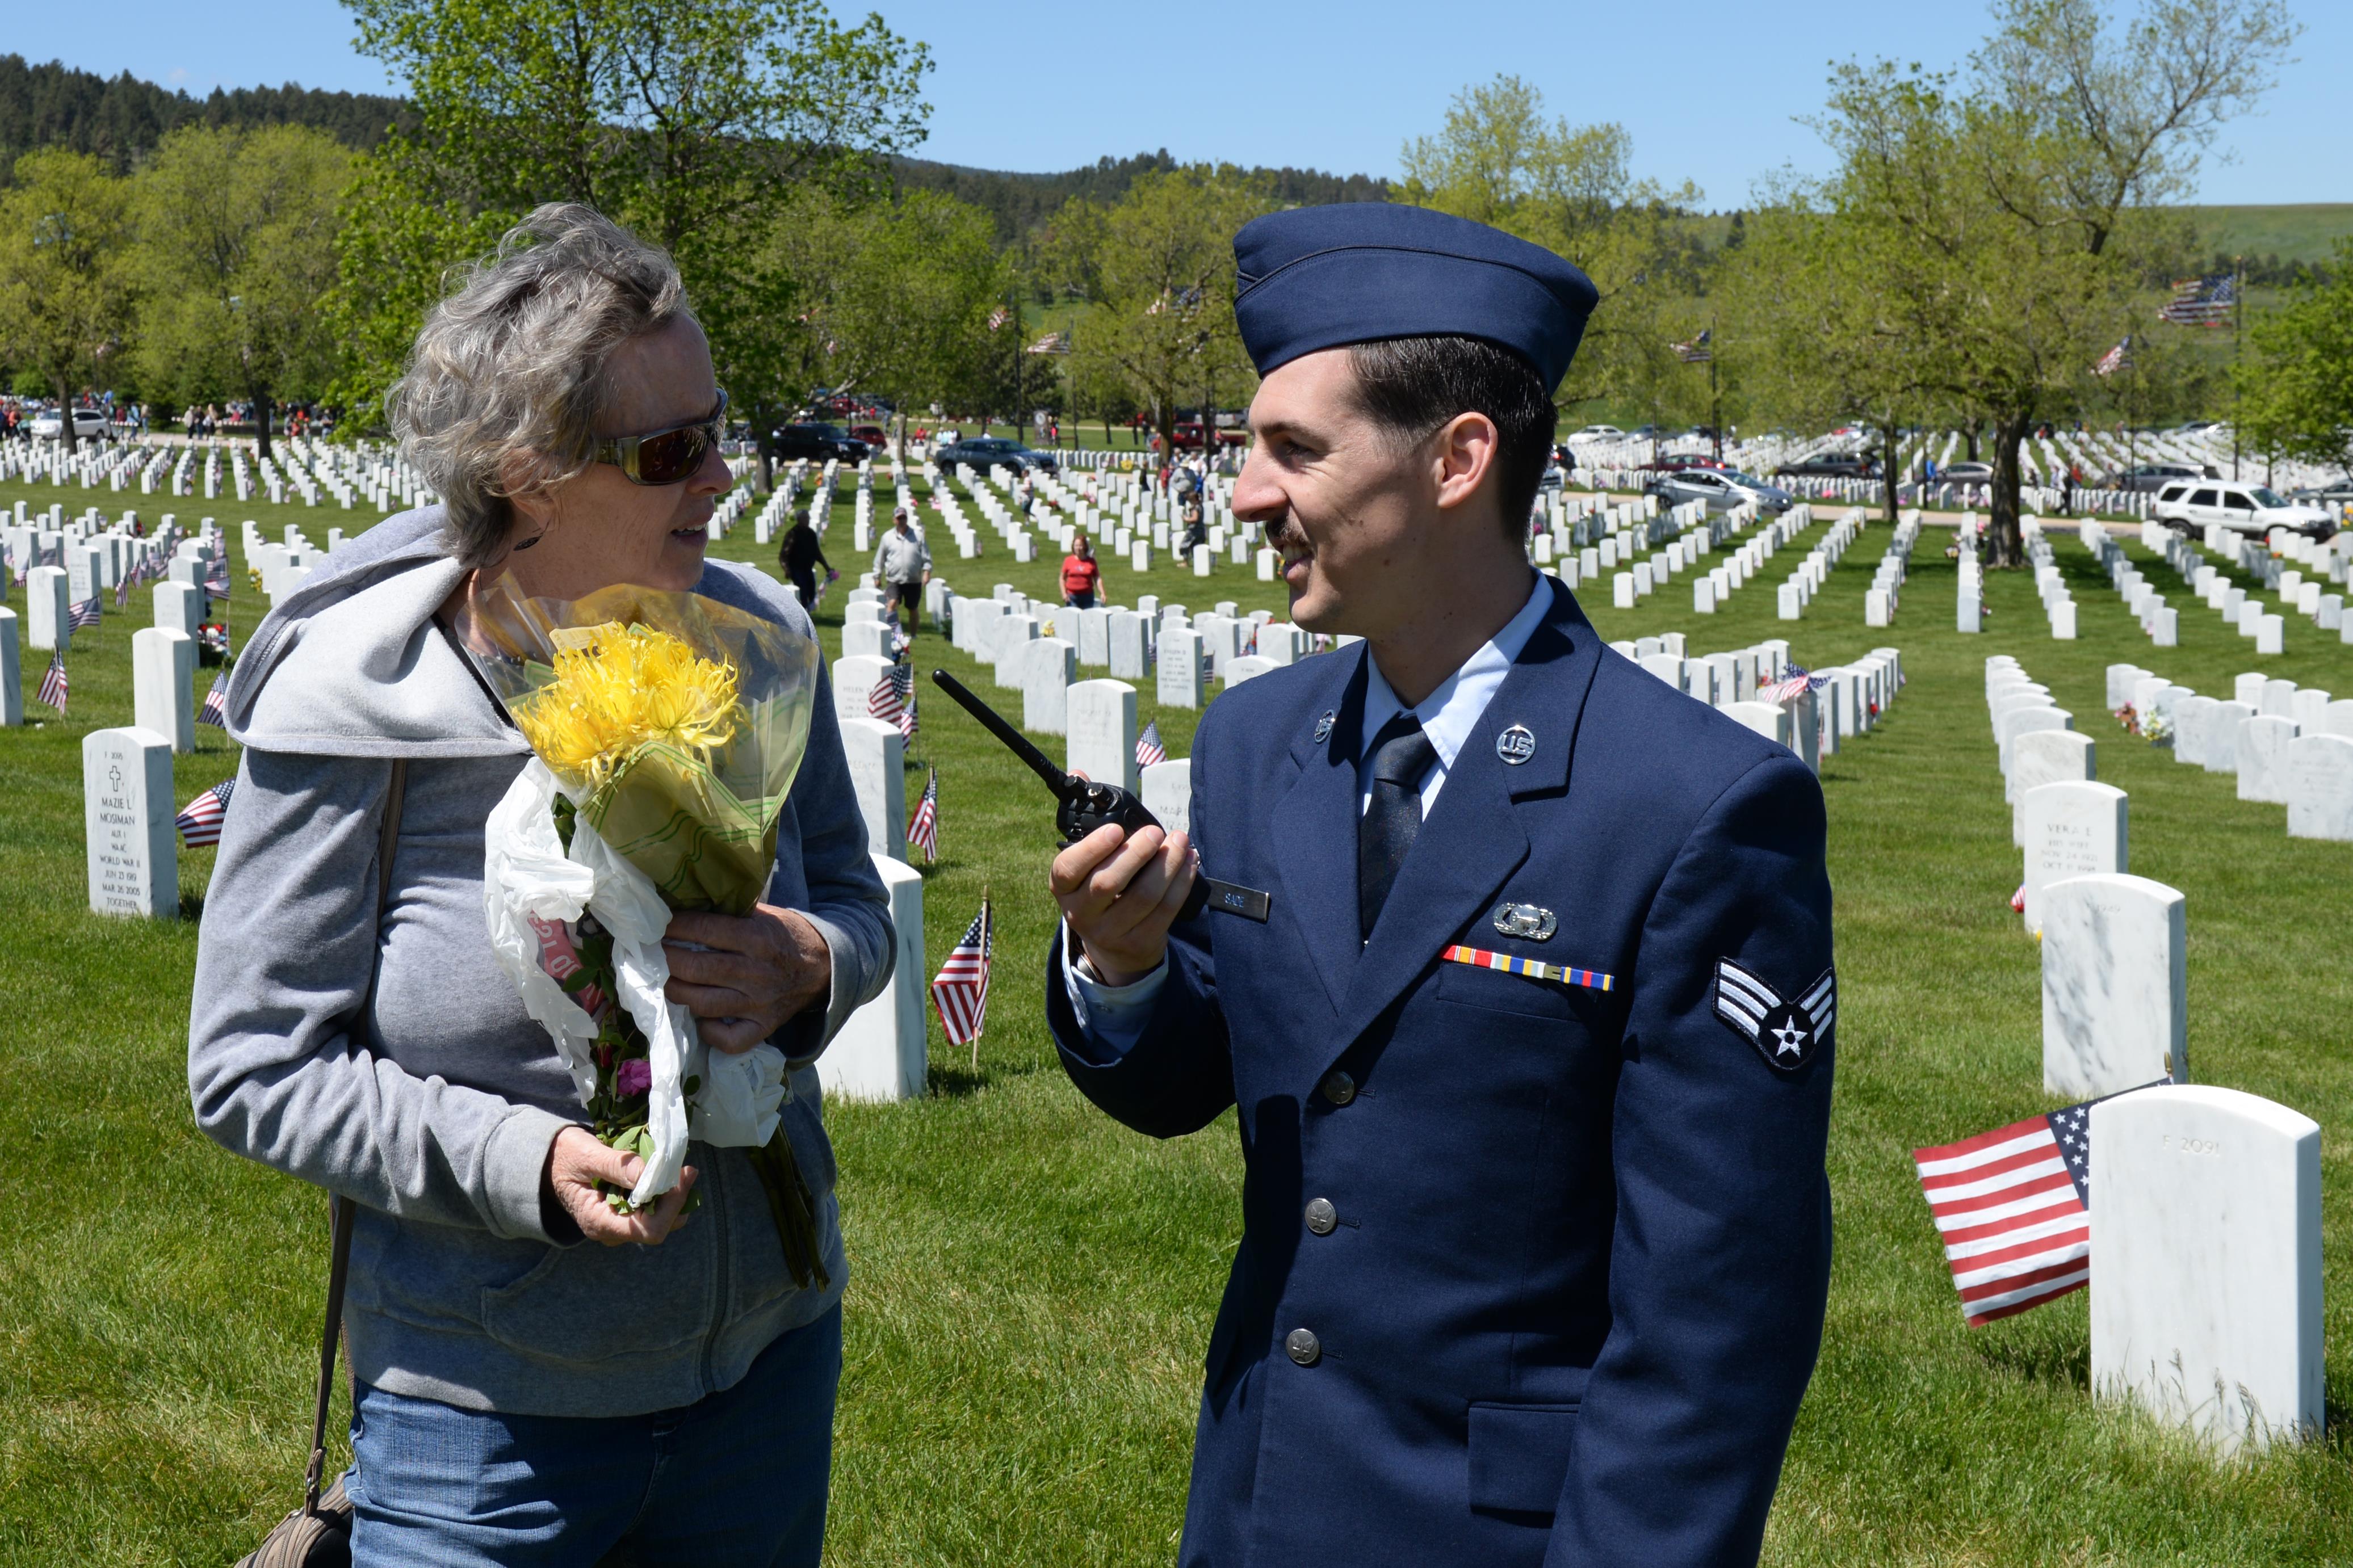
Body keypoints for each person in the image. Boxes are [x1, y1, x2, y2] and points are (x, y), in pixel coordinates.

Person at [1044, 203, 1835, 1567]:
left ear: (1459, 458)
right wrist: (1124, 969)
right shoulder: (1254, 742)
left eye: (1294, 449)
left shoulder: (1691, 805)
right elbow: (1218, 1071)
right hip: (1256, 1506)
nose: (1244, 494)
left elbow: (1717, 1310)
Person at [189, 204, 893, 1567]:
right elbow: (251, 1064)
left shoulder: (757, 642)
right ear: (526, 471)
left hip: (769, 1370)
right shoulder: (359, 707)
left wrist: (812, 960)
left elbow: (859, 908)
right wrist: (524, 1163)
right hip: (485, 1426)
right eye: (671, 450)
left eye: (719, 429)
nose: (720, 477)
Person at [871, 504, 931, 645]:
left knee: (913, 608)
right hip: (894, 579)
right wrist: (877, 575)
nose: (901, 521)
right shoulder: (887, 537)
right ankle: (893, 634)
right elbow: (880, 558)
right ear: (894, 520)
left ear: (907, 519)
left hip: (913, 579)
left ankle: (914, 635)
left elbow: (926, 557)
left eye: (904, 518)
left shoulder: (917, 536)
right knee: (892, 604)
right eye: (899, 518)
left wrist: (927, 572)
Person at [778, 507, 832, 611]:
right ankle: (803, 613)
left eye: (808, 518)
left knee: (811, 591)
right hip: (796, 569)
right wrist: (787, 570)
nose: (807, 520)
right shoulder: (792, 534)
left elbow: (817, 553)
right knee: (802, 591)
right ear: (799, 520)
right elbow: (783, 555)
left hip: (808, 569)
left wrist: (827, 568)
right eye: (805, 518)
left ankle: (809, 614)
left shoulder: (811, 534)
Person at [1061, 532, 1101, 608]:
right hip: (1072, 597)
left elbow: (1097, 578)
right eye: (1076, 546)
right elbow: (1062, 578)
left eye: (1080, 546)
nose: (1078, 548)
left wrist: (1102, 593)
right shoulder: (1068, 560)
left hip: (1087, 597)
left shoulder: (1091, 561)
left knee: (1087, 616)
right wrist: (1064, 594)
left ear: (1085, 547)